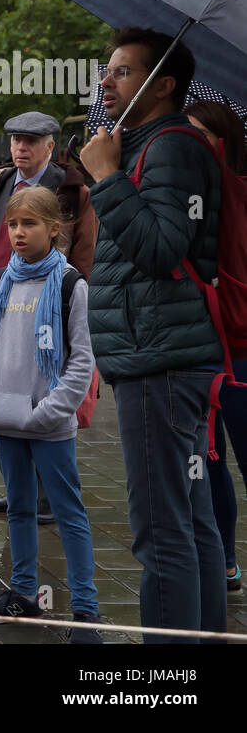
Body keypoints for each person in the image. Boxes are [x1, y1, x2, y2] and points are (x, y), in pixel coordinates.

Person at [80, 26, 225, 640]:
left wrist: (108, 178)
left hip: (159, 363)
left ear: (163, 83)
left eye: (121, 71)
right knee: (190, 521)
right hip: (166, 358)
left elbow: (162, 250)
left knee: (162, 530)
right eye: (105, 70)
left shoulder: (169, 147)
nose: (105, 82)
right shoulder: (153, 145)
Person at [0, 111, 98, 522]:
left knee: (44, 392)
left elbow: (84, 252)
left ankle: (48, 499)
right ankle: (20, 491)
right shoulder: (1, 182)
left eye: (30, 141)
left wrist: (71, 302)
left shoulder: (70, 189)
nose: (20, 148)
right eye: (15, 140)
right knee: (6, 390)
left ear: (51, 145)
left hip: (46, 309)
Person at [0, 186, 102, 641]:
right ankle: (23, 595)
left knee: (69, 513)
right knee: (19, 509)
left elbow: (83, 358)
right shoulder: (2, 279)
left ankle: (86, 611)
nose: (19, 233)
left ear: (53, 228)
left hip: (49, 424)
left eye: (29, 224)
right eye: (12, 225)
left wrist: (52, 410)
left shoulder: (69, 284)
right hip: (6, 417)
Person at [185, 99, 247, 594]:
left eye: (198, 135)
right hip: (199, 348)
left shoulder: (235, 192)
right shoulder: (182, 194)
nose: (188, 145)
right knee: (209, 459)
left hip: (241, 352)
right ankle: (224, 561)